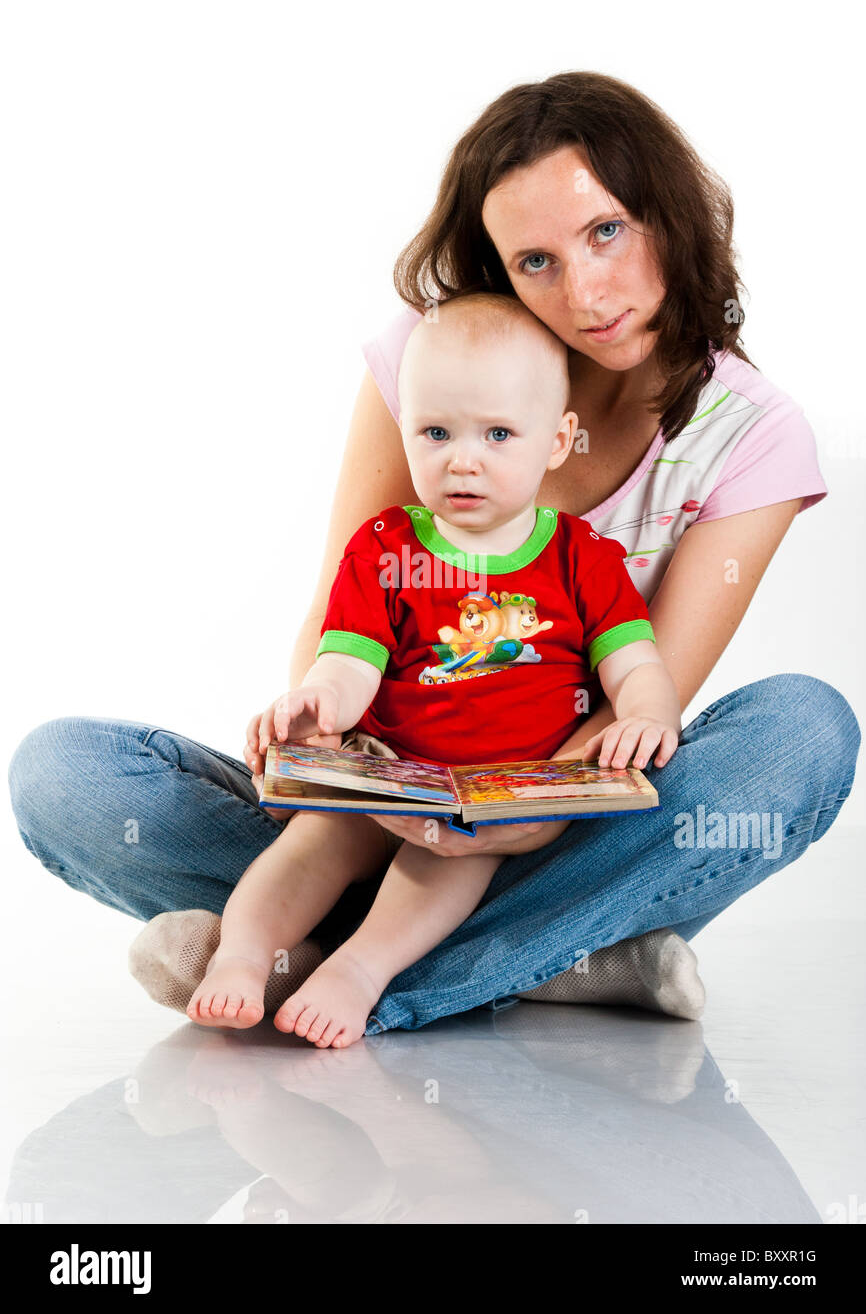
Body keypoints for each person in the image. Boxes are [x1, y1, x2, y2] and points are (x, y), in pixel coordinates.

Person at [7, 71, 859, 1039]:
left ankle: (349, 965)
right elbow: (345, 613)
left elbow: (639, 706)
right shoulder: (435, 354)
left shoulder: (751, 434)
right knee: (64, 774)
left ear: (667, 213)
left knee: (802, 733)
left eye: (607, 231)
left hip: (562, 819)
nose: (584, 293)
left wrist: (510, 817)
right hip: (386, 787)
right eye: (534, 261)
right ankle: (563, 957)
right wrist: (338, 762)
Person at [186, 293, 683, 1048]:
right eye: (436, 432)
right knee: (315, 838)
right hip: (385, 773)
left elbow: (636, 664)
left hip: (494, 800)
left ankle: (357, 970)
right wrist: (317, 702)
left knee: (448, 864)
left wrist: (647, 714)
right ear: (406, 430)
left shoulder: (580, 557)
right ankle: (244, 955)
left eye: (498, 434)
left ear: (558, 439)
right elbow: (348, 662)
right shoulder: (386, 546)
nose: (463, 459)